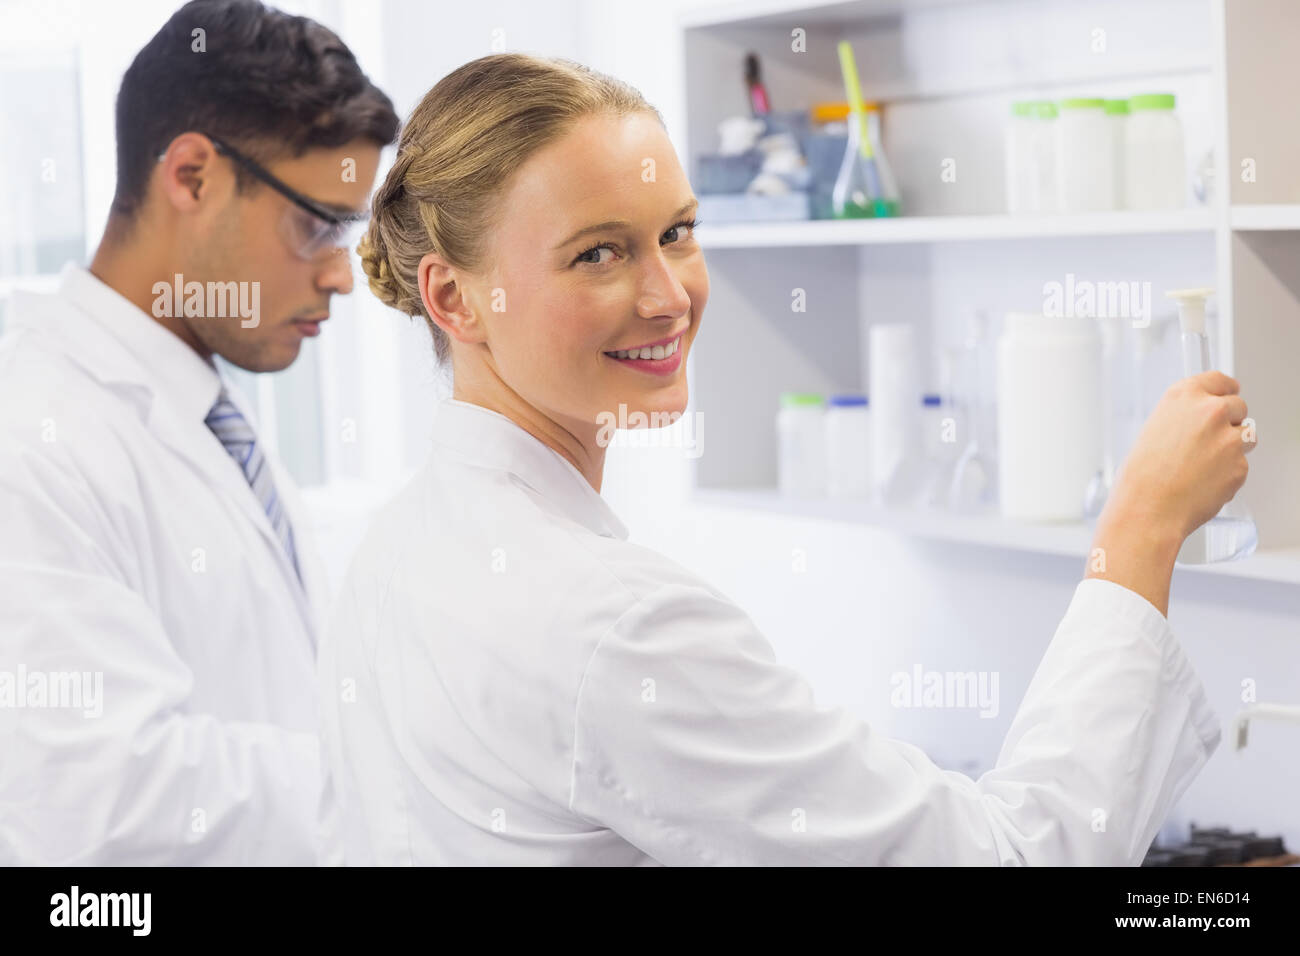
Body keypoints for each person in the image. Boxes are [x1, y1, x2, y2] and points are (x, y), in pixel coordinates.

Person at [320, 52, 1254, 865]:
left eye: (677, 233)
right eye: (599, 254)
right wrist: (1143, 527)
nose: (668, 296)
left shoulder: (396, 550)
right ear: (456, 299)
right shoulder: (613, 626)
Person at [0, 0, 397, 864]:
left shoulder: (201, 414)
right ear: (191, 177)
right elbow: (97, 804)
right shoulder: (30, 438)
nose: (341, 275)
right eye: (318, 224)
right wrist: (407, 779)